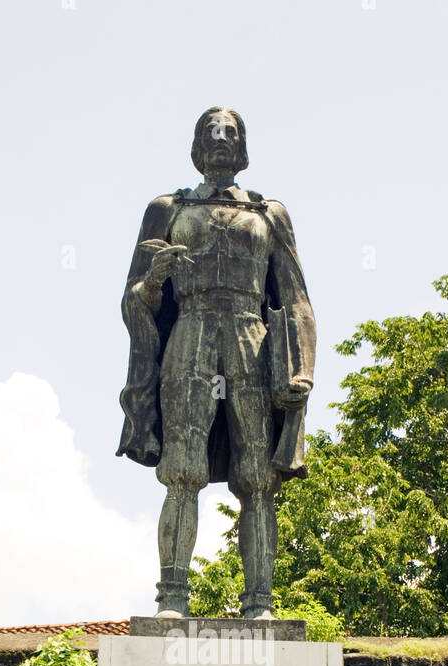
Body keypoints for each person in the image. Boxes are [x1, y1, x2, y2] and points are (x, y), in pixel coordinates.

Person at [117, 107, 316, 619]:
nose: (222, 138)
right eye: (212, 131)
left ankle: (260, 604)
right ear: (198, 146)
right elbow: (133, 301)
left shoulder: (269, 213)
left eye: (231, 131)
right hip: (191, 333)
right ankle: (173, 599)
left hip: (252, 336)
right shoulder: (168, 208)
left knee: (258, 476)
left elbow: (296, 299)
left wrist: (302, 368)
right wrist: (155, 278)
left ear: (242, 146)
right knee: (182, 470)